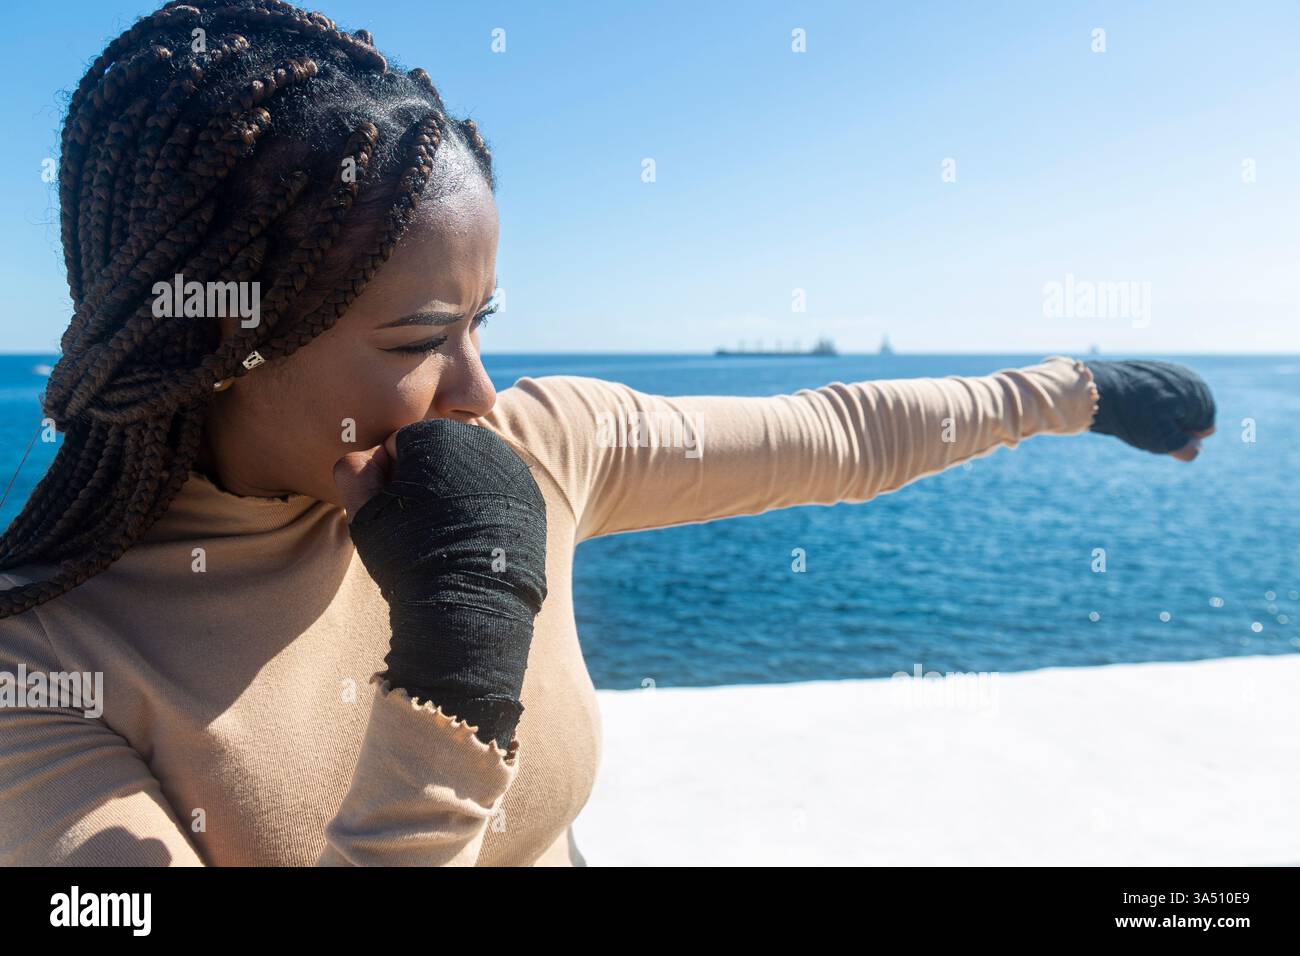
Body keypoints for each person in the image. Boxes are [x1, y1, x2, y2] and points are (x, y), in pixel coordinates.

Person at [0, 0, 1215, 866]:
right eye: (422, 337)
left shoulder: (536, 446)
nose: (482, 392)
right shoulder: (41, 674)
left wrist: (1082, 389)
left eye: (484, 321)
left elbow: (842, 431)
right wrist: (451, 675)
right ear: (223, 341)